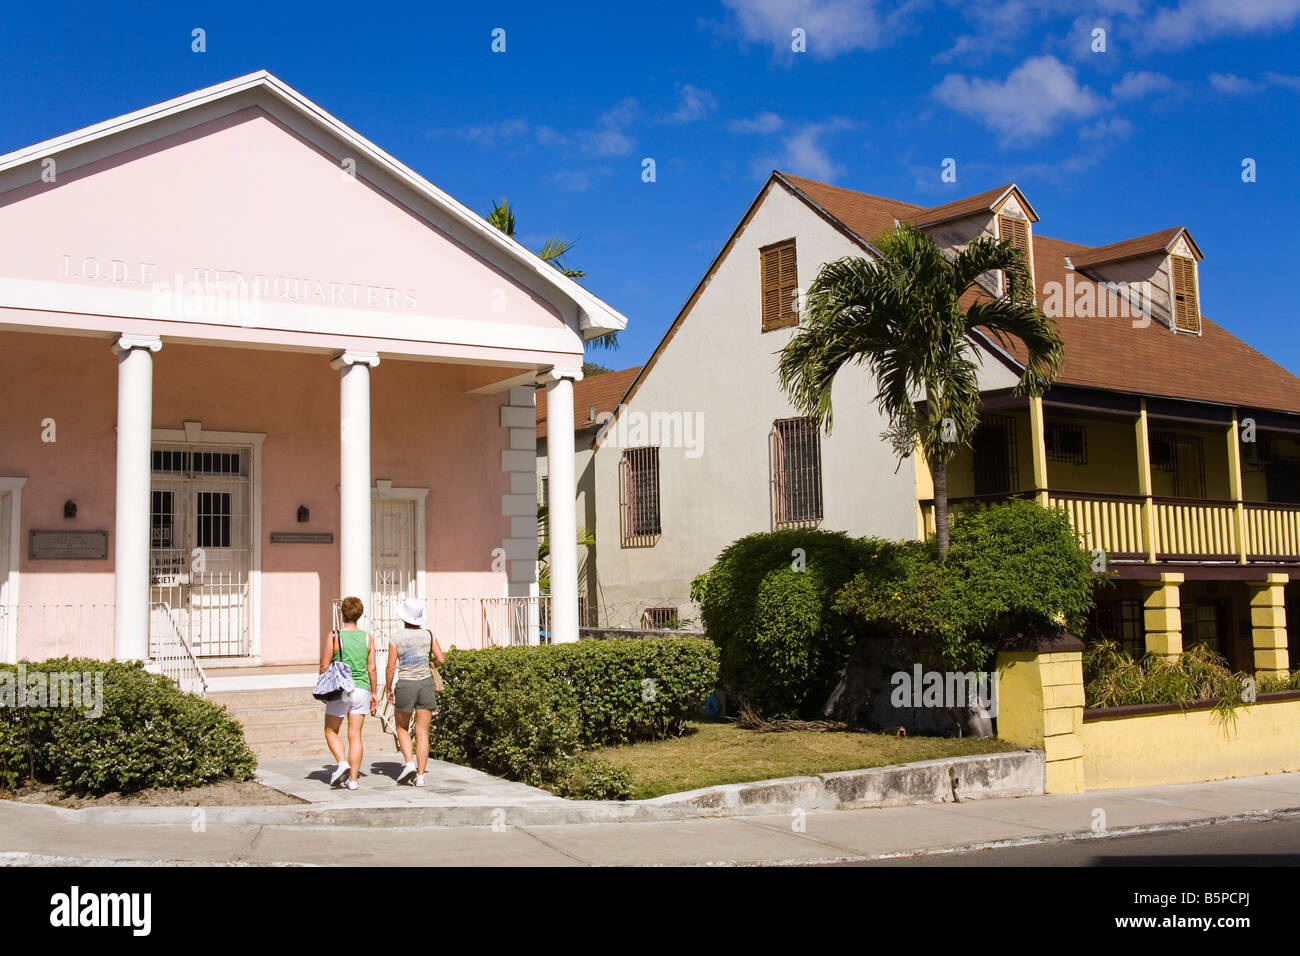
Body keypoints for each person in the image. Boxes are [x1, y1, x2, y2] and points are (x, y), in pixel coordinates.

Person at [384, 597, 444, 787]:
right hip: (426, 684)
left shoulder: (396, 638)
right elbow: (441, 659)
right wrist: (430, 664)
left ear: (404, 617)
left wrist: (388, 688)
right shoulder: (428, 635)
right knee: (423, 732)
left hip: (406, 684)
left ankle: (409, 762)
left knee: (402, 727)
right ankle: (420, 776)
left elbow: (391, 666)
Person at [320, 595, 377, 790]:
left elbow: (324, 665)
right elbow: (372, 669)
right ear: (360, 614)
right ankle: (353, 779)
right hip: (361, 688)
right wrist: (374, 693)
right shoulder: (367, 638)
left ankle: (341, 762)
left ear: (342, 613)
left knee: (331, 730)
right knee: (355, 735)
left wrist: (323, 683)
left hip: (342, 689)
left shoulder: (334, 636)